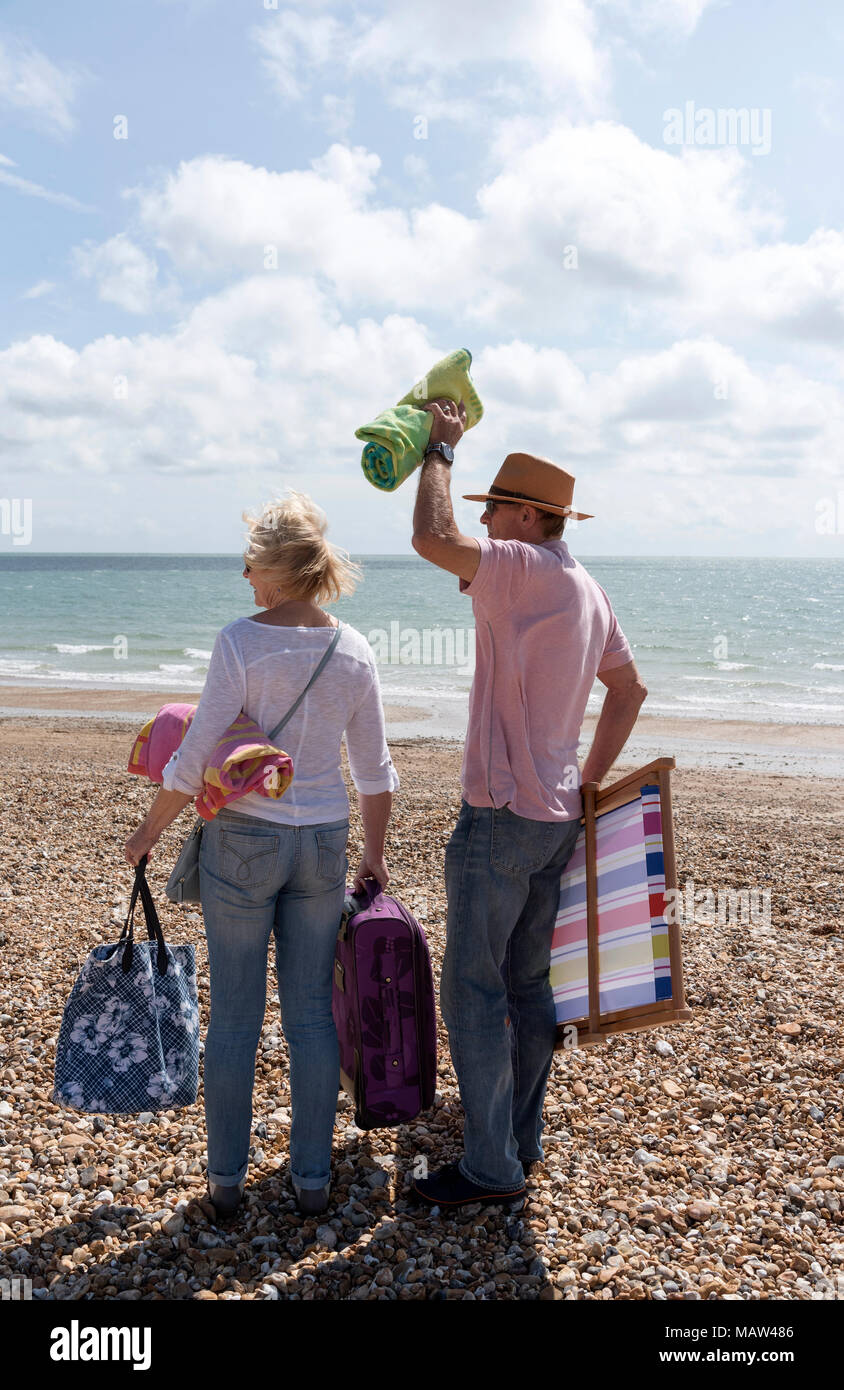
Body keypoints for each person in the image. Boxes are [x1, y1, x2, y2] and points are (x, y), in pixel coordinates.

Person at [124, 491, 399, 1218]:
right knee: (311, 1014)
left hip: (244, 838)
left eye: (250, 565)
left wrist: (149, 833)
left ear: (274, 569)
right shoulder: (355, 650)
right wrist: (375, 853)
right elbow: (375, 772)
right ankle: (311, 1183)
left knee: (236, 1019)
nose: (246, 579)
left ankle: (225, 1183)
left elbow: (189, 762)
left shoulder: (241, 643)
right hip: (324, 843)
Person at [410, 401, 647, 1210]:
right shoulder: (586, 585)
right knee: (526, 987)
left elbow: (432, 540)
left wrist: (439, 450)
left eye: (494, 508)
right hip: (553, 821)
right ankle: (519, 1138)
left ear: (525, 515)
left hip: (503, 814)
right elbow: (630, 690)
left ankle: (490, 1168)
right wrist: (588, 779)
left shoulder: (521, 566)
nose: (485, 522)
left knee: (473, 989)